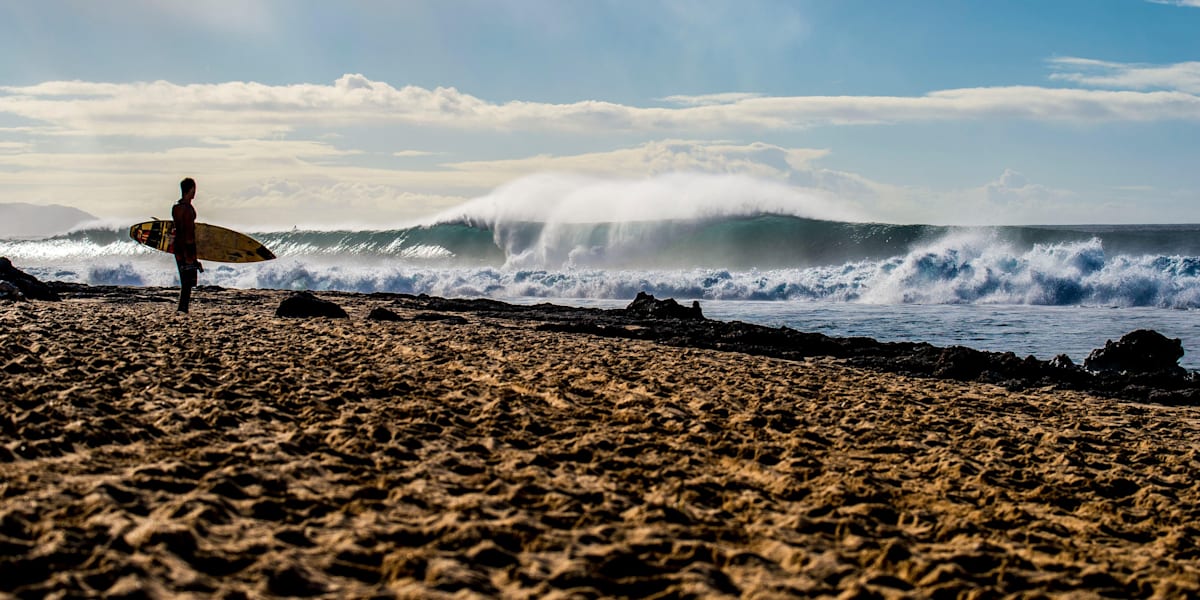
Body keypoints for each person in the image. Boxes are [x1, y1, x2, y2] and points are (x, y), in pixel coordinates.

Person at [173, 177, 203, 313]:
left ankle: (183, 307)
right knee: (187, 282)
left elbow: (182, 231)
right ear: (189, 190)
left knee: (187, 281)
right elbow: (184, 232)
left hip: (183, 247)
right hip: (186, 248)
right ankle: (182, 308)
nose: (195, 192)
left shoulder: (181, 207)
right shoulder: (184, 209)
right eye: (193, 189)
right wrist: (189, 255)